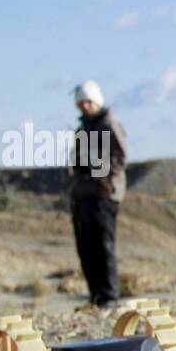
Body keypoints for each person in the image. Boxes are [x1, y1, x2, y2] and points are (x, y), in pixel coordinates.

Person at [67, 80, 127, 308]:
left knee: (103, 246)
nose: (84, 107)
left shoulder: (109, 125)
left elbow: (120, 158)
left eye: (88, 102)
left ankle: (109, 296)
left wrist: (100, 174)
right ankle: (95, 296)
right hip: (83, 193)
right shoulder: (84, 128)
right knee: (86, 246)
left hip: (104, 194)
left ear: (97, 101)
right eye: (81, 103)